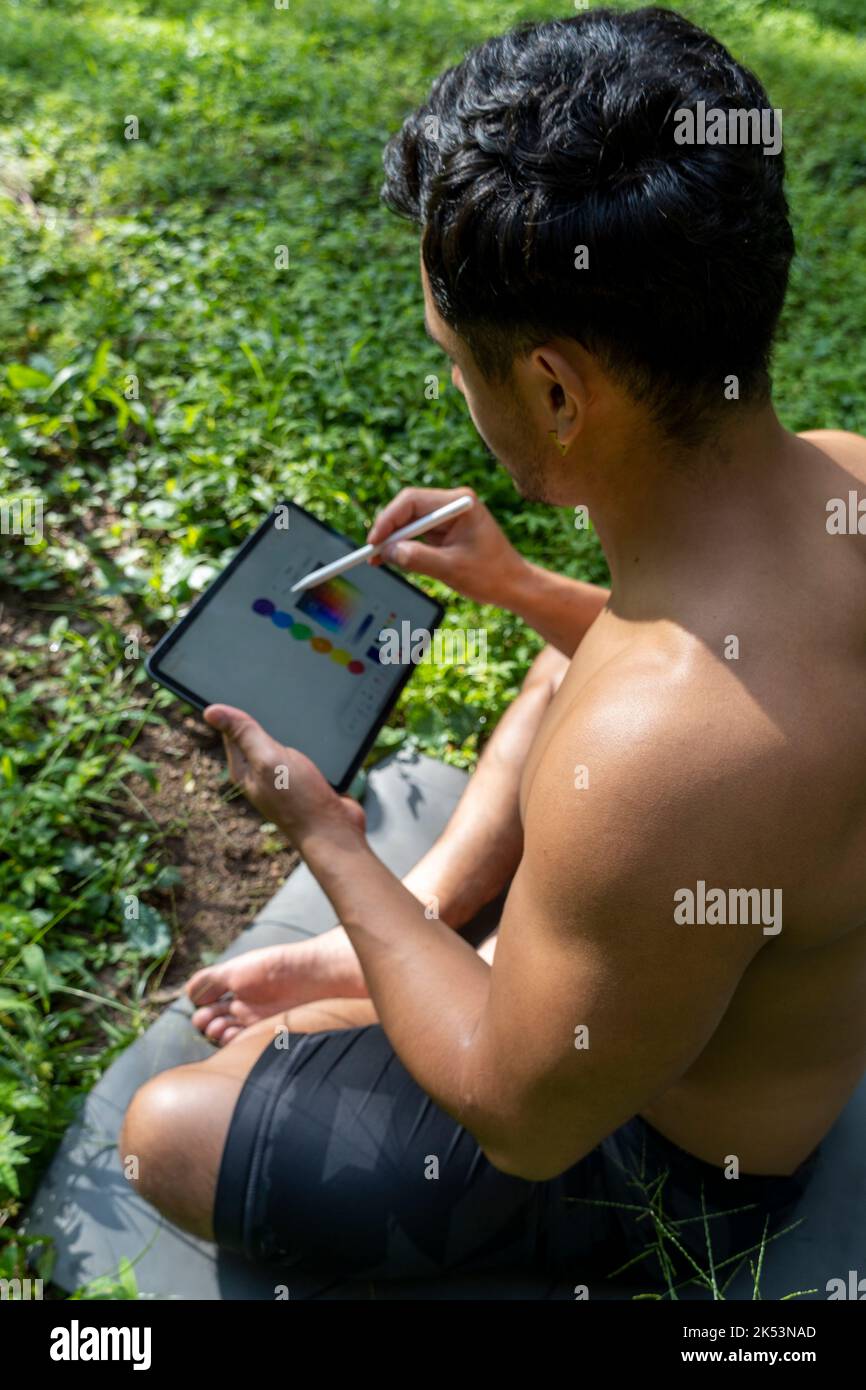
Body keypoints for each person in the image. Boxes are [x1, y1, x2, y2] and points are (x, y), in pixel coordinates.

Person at [119, 7, 866, 1290]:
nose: (457, 388)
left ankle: (419, 954)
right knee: (567, 656)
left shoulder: (658, 750)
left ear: (556, 391)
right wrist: (521, 585)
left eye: (452, 359)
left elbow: (522, 1119)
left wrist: (329, 838)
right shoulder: (844, 481)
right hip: (739, 986)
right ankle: (431, 941)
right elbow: (741, 679)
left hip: (664, 1154)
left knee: (169, 1127)